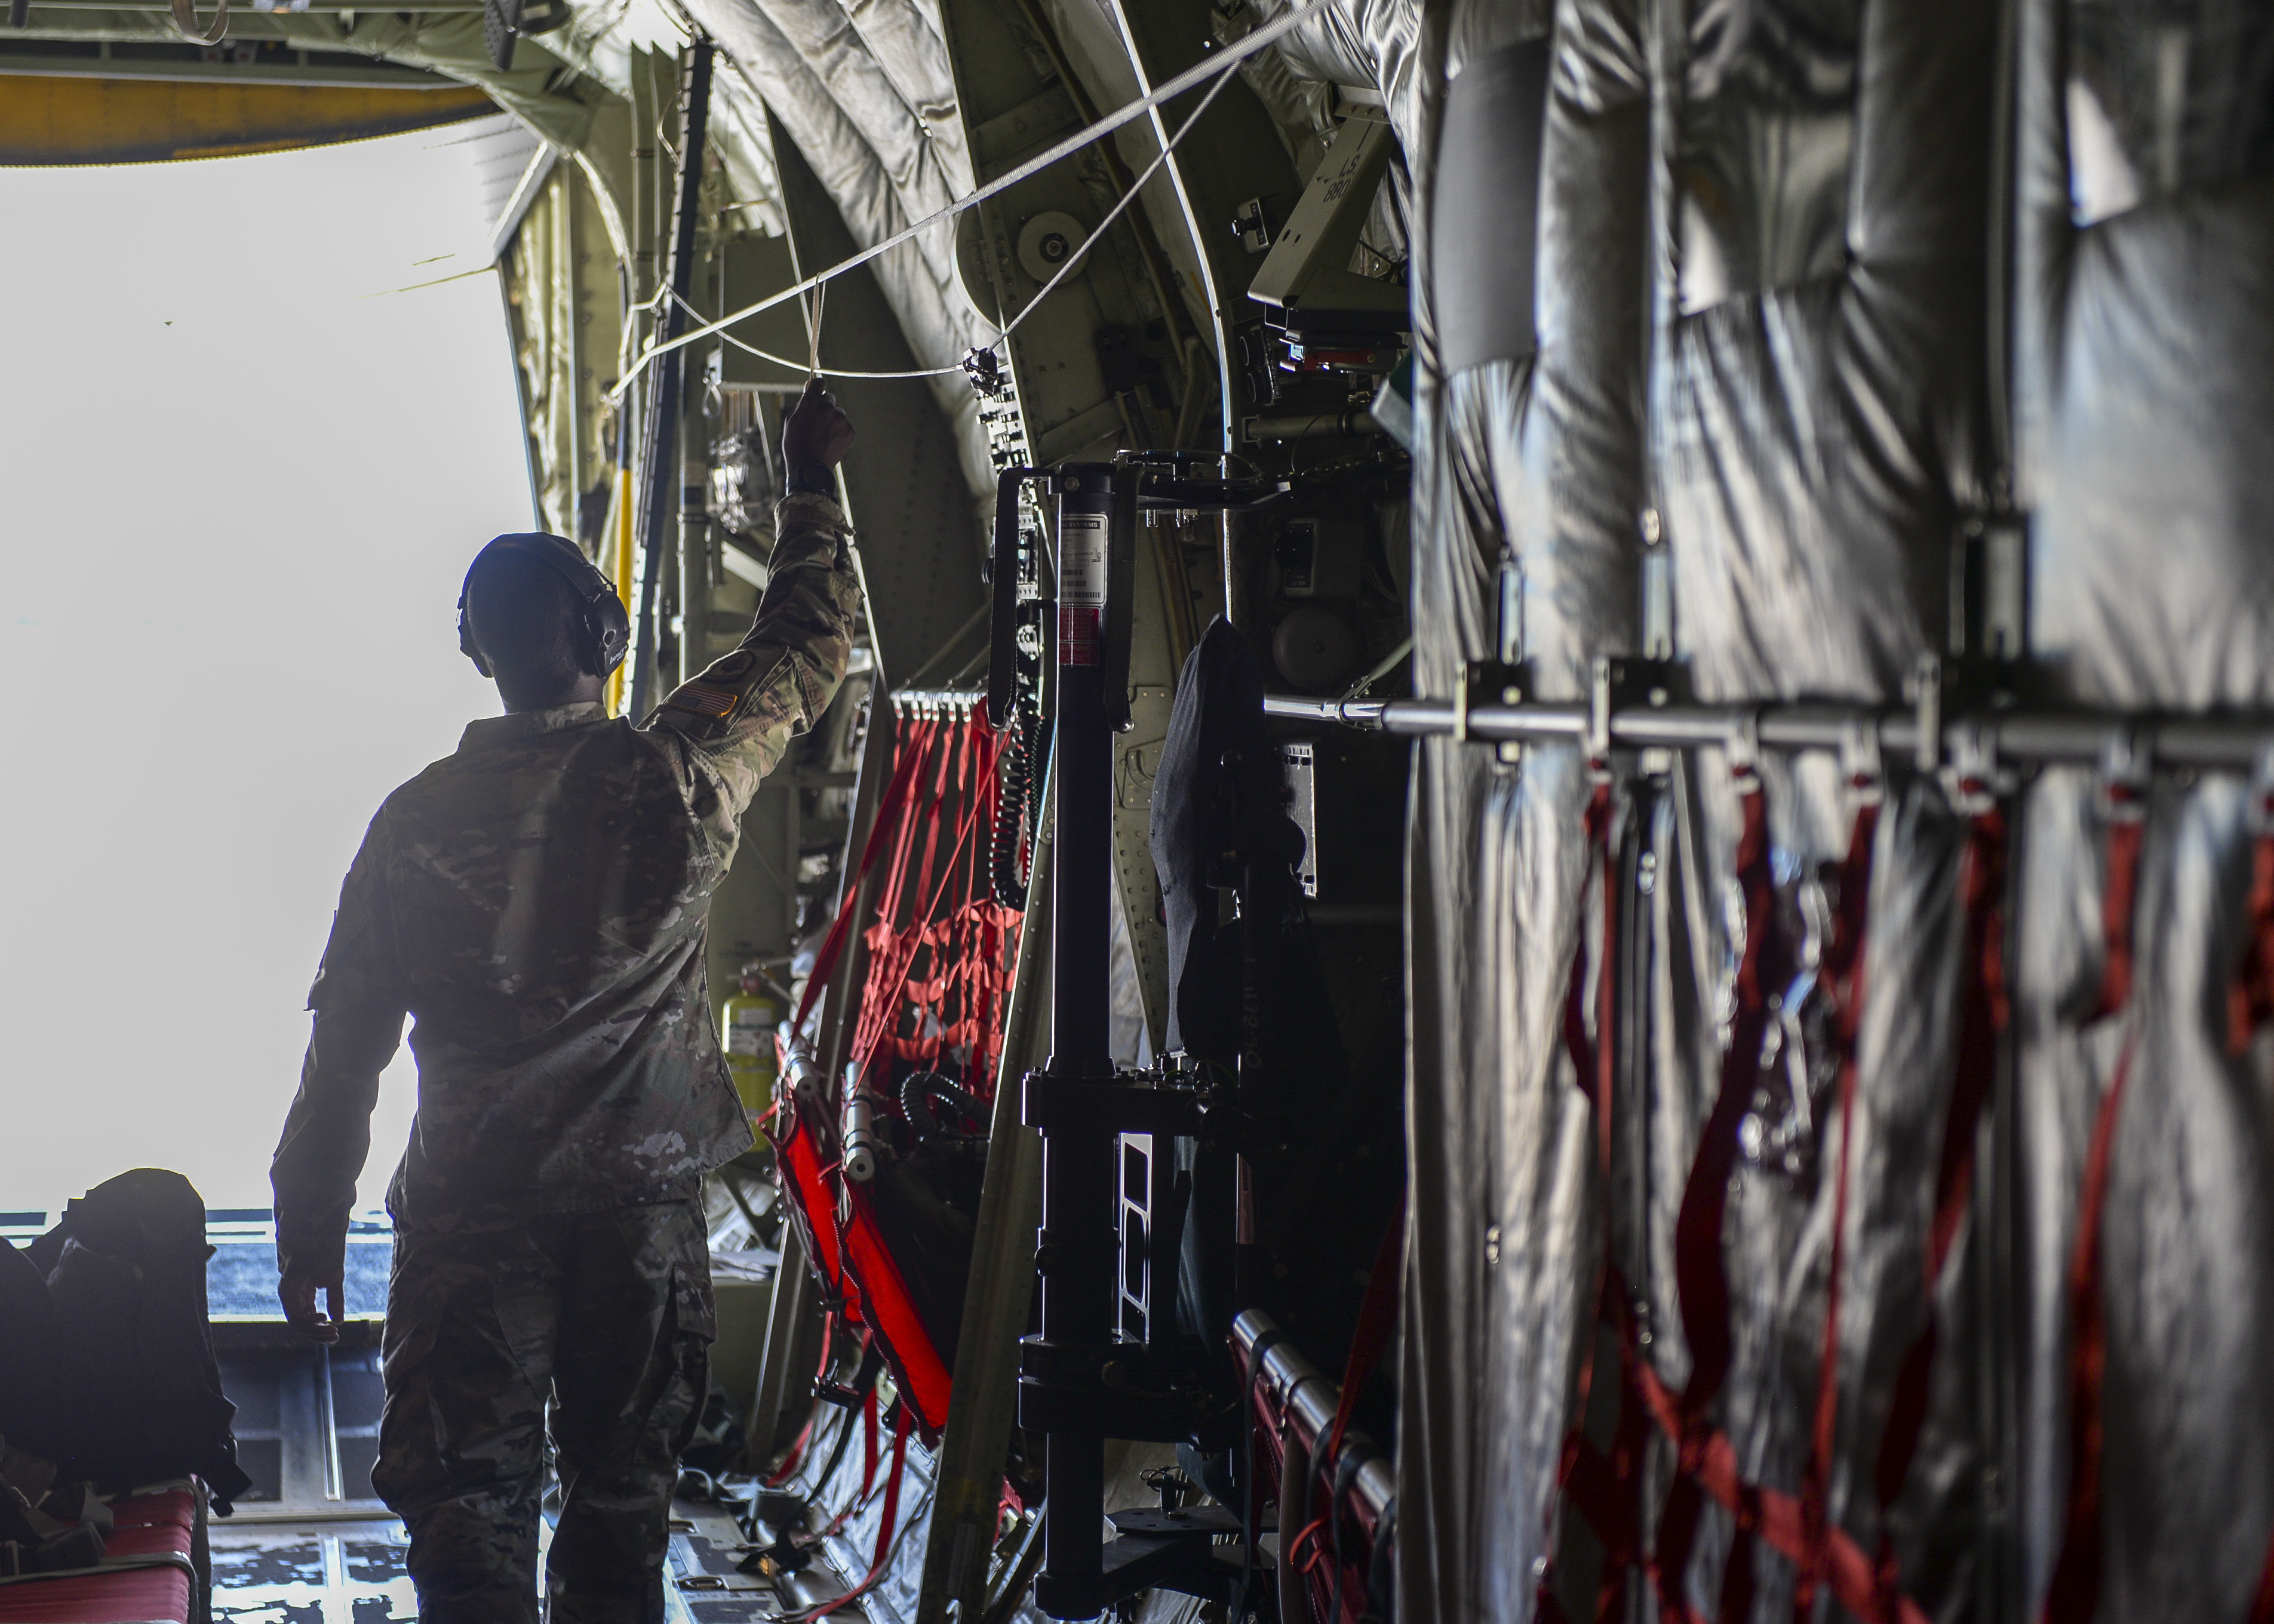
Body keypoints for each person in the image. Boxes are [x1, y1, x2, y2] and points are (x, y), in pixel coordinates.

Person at [269, 380, 859, 1623]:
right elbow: (806, 652)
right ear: (599, 634)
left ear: (479, 649)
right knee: (619, 1524)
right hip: (637, 1230)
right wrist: (811, 479)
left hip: (468, 1223)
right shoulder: (675, 775)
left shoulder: (414, 821)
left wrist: (308, 1223)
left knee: (468, 1534)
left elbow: (346, 1057)